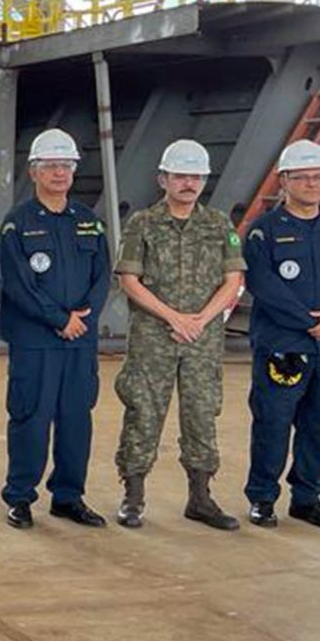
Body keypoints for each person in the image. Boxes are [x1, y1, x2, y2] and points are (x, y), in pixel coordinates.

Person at [112, 140, 245, 529]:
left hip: (202, 339)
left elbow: (233, 279)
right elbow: (129, 280)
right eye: (181, 176)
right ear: (163, 180)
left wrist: (201, 319)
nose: (189, 184)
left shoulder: (219, 225)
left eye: (196, 177)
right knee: (143, 411)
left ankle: (200, 498)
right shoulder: (142, 223)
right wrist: (174, 318)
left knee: (202, 413)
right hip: (154, 337)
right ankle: (133, 496)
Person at [242, 139, 320, 528]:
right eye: (303, 177)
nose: (312, 183)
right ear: (284, 181)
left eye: (319, 176)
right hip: (283, 346)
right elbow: (263, 284)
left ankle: (307, 498)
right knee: (272, 423)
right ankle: (262, 497)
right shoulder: (264, 232)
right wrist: (307, 320)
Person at [0, 129, 112, 529]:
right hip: (35, 342)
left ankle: (68, 496)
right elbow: (18, 285)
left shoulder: (89, 223)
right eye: (51, 166)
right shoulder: (17, 225)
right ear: (33, 172)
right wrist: (60, 320)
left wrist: (83, 319)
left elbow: (102, 277)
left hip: (79, 343)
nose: (60, 173)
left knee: (76, 420)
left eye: (66, 165)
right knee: (30, 417)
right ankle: (20, 497)